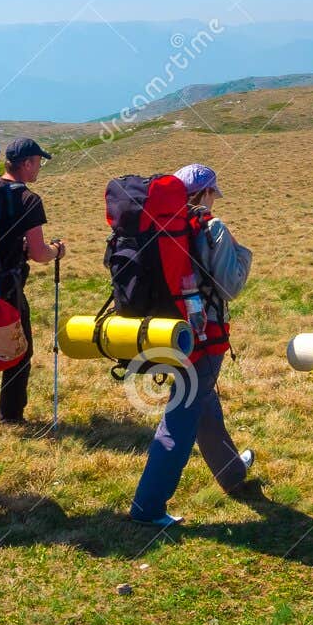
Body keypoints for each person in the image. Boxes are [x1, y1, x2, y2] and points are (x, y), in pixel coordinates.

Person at [128, 163, 255, 526]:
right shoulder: (210, 227)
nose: (215, 199)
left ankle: (232, 473)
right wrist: (242, 253)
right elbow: (230, 286)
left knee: (203, 404)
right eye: (214, 192)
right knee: (181, 419)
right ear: (205, 193)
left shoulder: (157, 226)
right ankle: (147, 507)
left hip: (164, 333)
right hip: (202, 337)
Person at [0, 137, 65, 425]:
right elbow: (38, 253)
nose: (39, 168)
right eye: (37, 162)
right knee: (21, 349)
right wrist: (57, 250)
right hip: (8, 285)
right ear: (26, 164)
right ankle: (10, 415)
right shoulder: (28, 200)